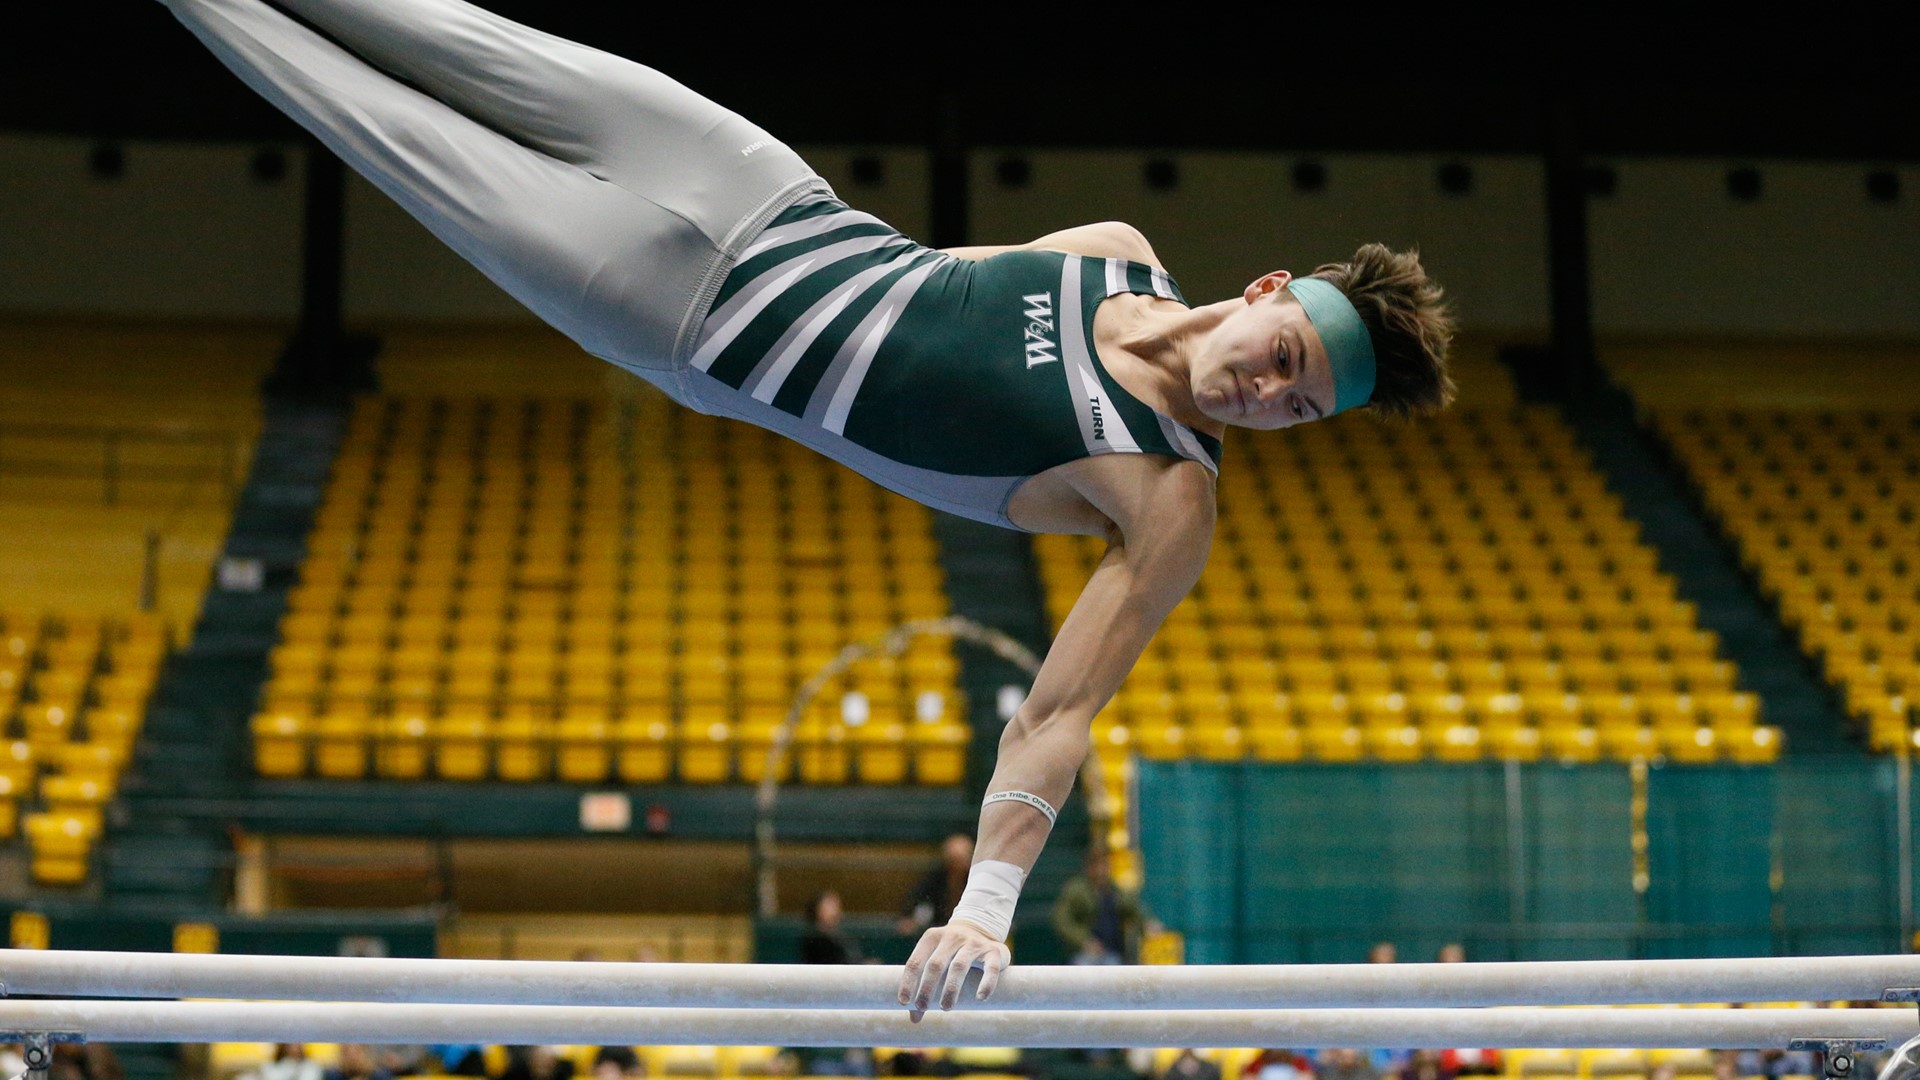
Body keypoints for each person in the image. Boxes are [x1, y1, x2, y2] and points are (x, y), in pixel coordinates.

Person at [159, 0, 1456, 1018]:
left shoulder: (1168, 496)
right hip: (749, 180)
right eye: (1286, 353)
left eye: (1296, 409)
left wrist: (987, 907)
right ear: (1267, 288)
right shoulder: (1111, 246)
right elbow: (923, 293)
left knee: (346, 101)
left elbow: (1058, 714)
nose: (1267, 392)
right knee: (424, 24)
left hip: (675, 312)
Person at [1052, 845, 1154, 964]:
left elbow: (1133, 909)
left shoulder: (1115, 890)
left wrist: (1148, 924)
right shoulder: (1076, 890)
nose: (1102, 871)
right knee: (1084, 972)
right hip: (1085, 953)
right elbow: (1062, 921)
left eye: (1105, 865)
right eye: (1098, 866)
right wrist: (1085, 941)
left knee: (1114, 970)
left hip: (1112, 952)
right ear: (1089, 867)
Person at [897, 834, 974, 938]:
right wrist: (909, 918)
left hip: (969, 931)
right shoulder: (935, 878)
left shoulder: (975, 880)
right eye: (952, 861)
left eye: (960, 860)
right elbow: (916, 898)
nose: (956, 866)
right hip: (939, 930)